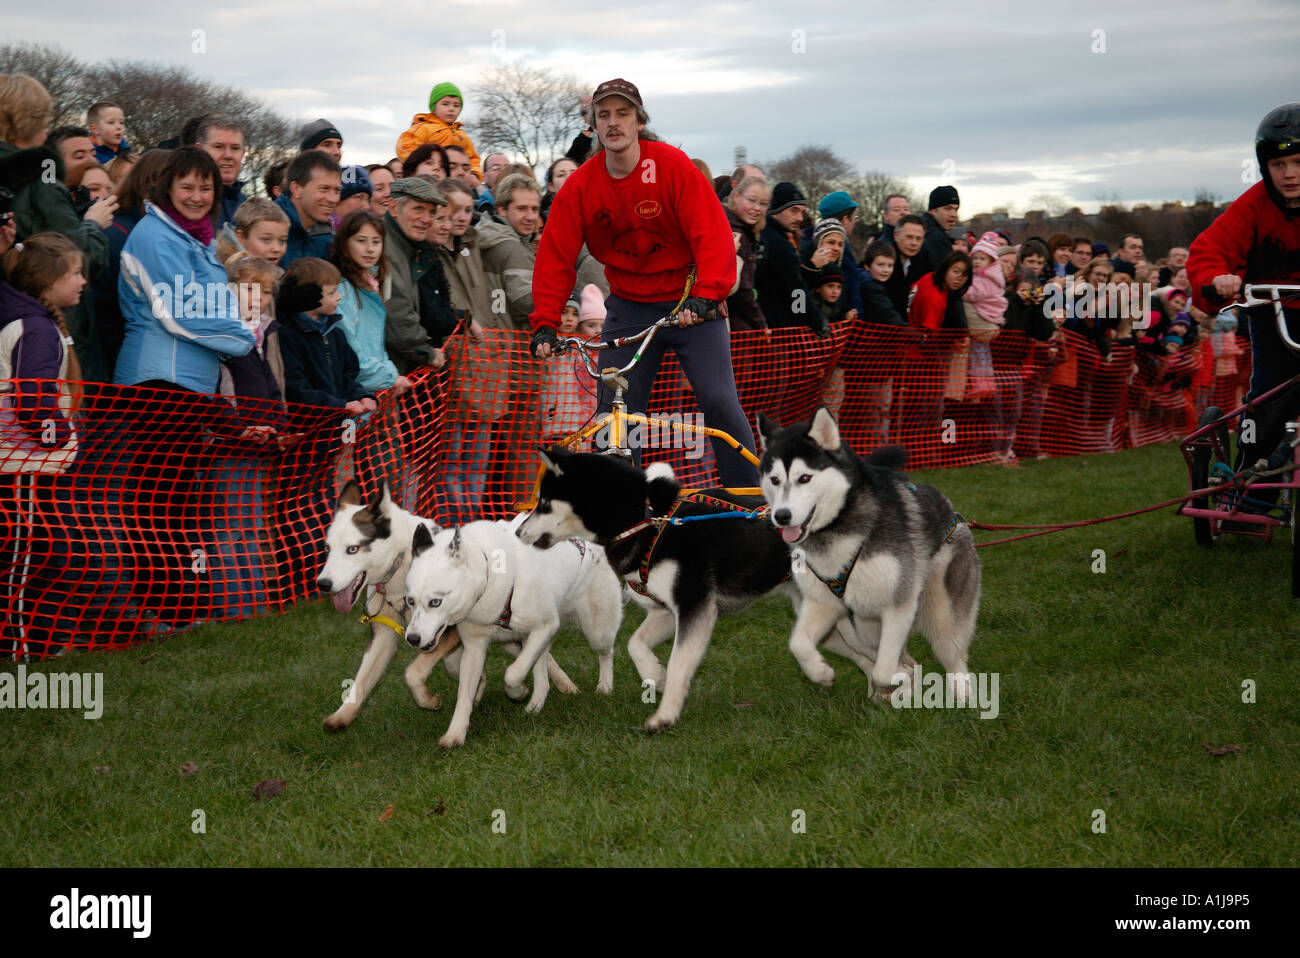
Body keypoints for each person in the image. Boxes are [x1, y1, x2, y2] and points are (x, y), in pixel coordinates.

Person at [529, 78, 759, 485]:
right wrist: (546, 320)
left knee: (719, 400)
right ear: (594, 127)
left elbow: (713, 234)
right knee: (613, 413)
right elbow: (555, 254)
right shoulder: (581, 185)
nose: (613, 123)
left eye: (623, 114)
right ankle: (617, 513)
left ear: (639, 121)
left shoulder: (672, 167)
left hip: (689, 303)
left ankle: (750, 499)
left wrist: (707, 295)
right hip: (630, 306)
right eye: (604, 116)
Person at [0, 232, 84, 656]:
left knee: (40, 551)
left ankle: (33, 642)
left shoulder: (34, 321)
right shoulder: (35, 328)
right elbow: (34, 405)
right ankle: (20, 646)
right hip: (22, 465)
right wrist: (64, 435)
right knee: (27, 556)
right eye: (75, 273)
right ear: (48, 281)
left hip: (25, 463)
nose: (83, 280)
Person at [114, 146, 254, 392]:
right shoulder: (155, 236)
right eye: (187, 188)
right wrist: (243, 335)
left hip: (193, 381)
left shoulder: (201, 239)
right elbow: (178, 314)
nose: (197, 197)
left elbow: (223, 299)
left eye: (206, 189)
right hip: (157, 381)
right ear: (168, 188)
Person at [382, 175, 453, 374]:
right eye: (418, 209)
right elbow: (397, 314)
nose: (426, 219)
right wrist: (427, 352)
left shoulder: (409, 246)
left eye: (431, 212)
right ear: (394, 208)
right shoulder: (385, 248)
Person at [332, 209, 407, 396]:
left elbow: (376, 346)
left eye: (376, 241)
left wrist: (390, 372)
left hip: (375, 391)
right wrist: (390, 376)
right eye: (361, 241)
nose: (370, 249)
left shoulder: (372, 283)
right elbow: (351, 352)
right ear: (345, 244)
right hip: (355, 395)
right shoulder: (342, 290)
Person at [755, 181, 821, 333]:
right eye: (794, 211)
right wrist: (815, 322)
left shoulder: (763, 233)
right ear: (778, 209)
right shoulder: (780, 244)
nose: (800, 218)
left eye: (802, 212)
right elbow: (796, 291)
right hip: (779, 328)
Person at [395, 82, 482, 181]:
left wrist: (474, 174)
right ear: (434, 107)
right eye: (445, 104)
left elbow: (473, 158)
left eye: (456, 105)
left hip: (455, 182)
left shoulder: (462, 135)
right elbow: (404, 146)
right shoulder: (425, 128)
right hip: (431, 178)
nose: (451, 109)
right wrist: (419, 167)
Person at [274, 149, 339, 267]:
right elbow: (242, 282)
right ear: (297, 189)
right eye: (324, 189)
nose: (333, 199)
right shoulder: (263, 225)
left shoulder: (324, 234)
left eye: (337, 190)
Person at [724, 174, 770, 330]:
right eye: (752, 200)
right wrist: (760, 323)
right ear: (736, 196)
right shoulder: (736, 233)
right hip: (735, 323)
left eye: (763, 203)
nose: (757, 208)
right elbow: (742, 289)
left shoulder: (748, 231)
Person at [196, 114, 246, 228]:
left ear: (243, 153)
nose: (228, 155)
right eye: (218, 147)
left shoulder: (248, 208)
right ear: (199, 151)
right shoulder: (187, 205)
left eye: (235, 148)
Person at [217, 196, 290, 267]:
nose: (276, 249)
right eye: (266, 240)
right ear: (241, 237)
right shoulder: (230, 274)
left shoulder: (273, 273)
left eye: (282, 241)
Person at [884, 213, 928, 316]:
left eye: (918, 239)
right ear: (896, 235)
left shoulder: (922, 264)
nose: (914, 243)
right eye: (909, 237)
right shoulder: (883, 261)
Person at [920, 185, 959, 273]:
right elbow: (946, 278)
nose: (954, 214)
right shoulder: (936, 237)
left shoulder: (924, 230)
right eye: (947, 209)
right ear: (933, 211)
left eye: (956, 209)